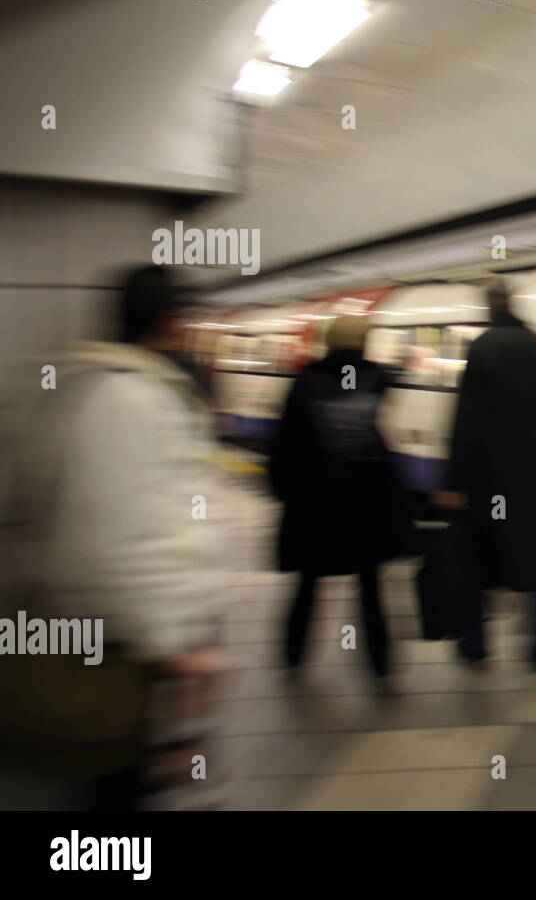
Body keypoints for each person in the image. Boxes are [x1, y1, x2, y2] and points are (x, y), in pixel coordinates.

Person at [2, 264, 225, 809]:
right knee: (110, 788)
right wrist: (169, 643)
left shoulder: (95, 385)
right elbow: (115, 539)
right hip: (110, 651)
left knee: (116, 782)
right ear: (169, 322)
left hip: (112, 641)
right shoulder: (127, 401)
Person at [269, 314, 408, 686]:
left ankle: (293, 659)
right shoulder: (377, 380)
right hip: (364, 508)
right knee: (370, 590)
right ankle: (380, 666)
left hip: (316, 506)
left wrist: (286, 494)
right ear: (363, 342)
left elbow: (286, 445)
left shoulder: (305, 382)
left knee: (308, 586)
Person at [440, 278, 536, 670]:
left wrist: (456, 480)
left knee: (479, 556)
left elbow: (468, 420)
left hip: (491, 478)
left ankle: (476, 643)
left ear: (488, 306)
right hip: (534, 470)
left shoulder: (482, 347)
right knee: (534, 559)